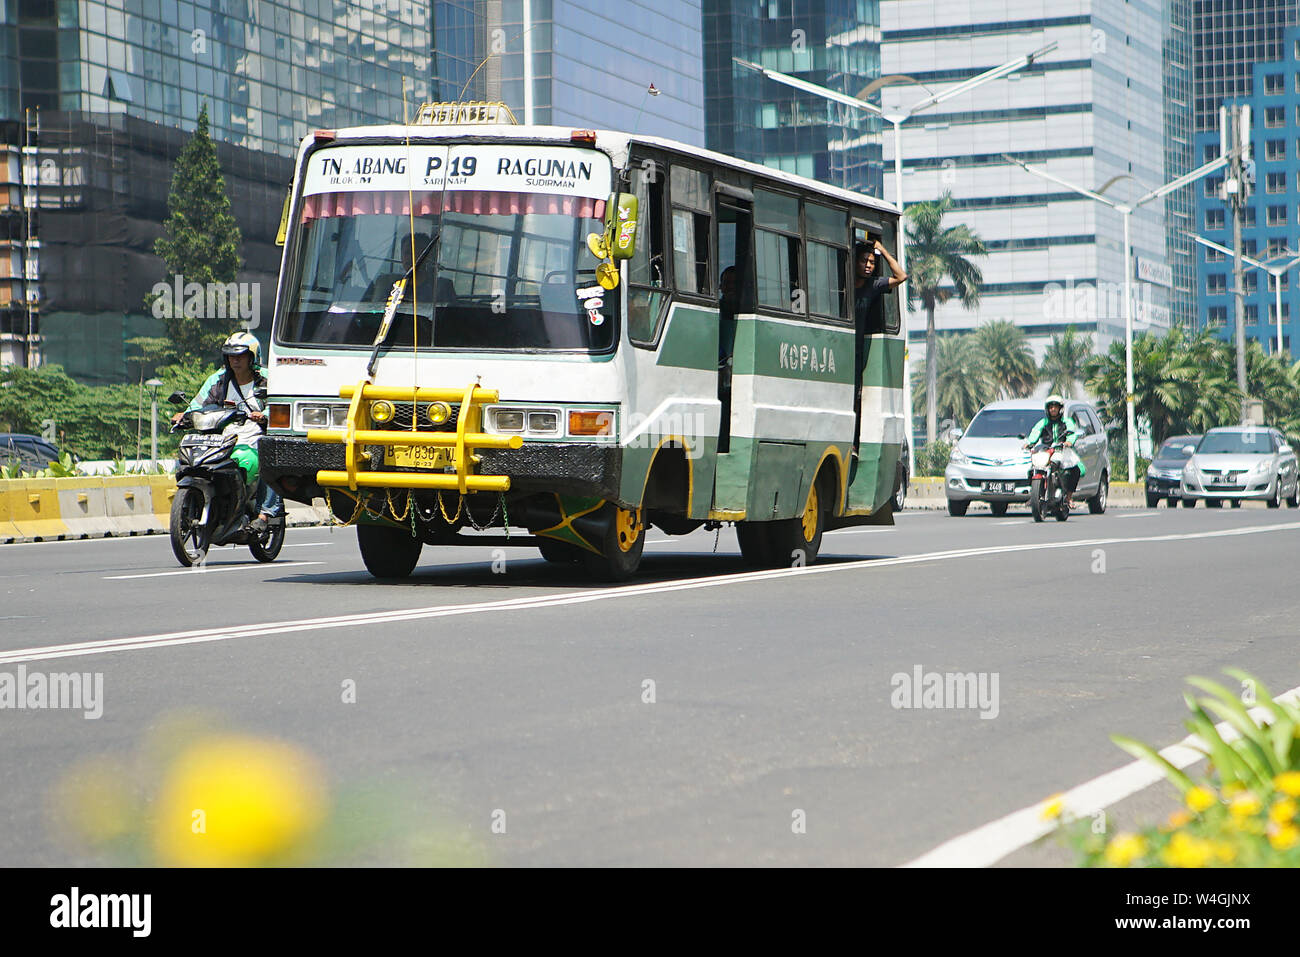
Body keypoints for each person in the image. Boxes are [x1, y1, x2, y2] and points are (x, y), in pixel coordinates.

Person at [172, 331, 284, 534]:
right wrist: (184, 415)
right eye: (231, 355)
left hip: (257, 437)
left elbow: (282, 406)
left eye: (240, 355)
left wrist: (265, 414)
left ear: (252, 357)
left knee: (270, 459)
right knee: (187, 461)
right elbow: (199, 403)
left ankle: (264, 514)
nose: (235, 360)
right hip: (223, 438)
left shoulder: (268, 379)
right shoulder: (218, 380)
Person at [1023, 394, 1085, 510]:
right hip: (1046, 450)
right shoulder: (1043, 422)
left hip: (1062, 450)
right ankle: (1035, 495)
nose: (1053, 409)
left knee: (1075, 470)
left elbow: (1072, 433)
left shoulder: (1067, 421)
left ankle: (1069, 497)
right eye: (1050, 407)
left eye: (1055, 407)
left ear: (1060, 408)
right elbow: (1035, 432)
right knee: (1032, 469)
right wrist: (1029, 443)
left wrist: (1068, 442)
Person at [853, 238, 907, 333]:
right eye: (864, 261)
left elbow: (901, 276)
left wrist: (882, 250)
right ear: (855, 262)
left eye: (872, 262)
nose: (868, 265)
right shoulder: (843, 282)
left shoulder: (874, 284)